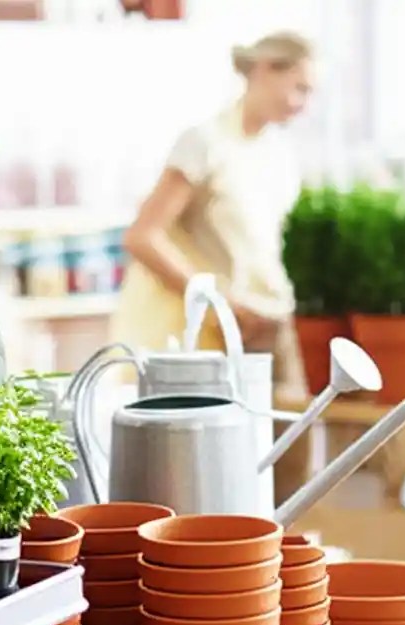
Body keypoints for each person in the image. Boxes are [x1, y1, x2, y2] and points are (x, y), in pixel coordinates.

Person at [111, 31, 315, 394]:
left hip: (273, 320)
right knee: (225, 446)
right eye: (299, 88)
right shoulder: (206, 143)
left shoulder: (278, 153)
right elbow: (143, 237)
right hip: (221, 329)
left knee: (291, 441)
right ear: (265, 70)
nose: (303, 104)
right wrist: (221, 307)